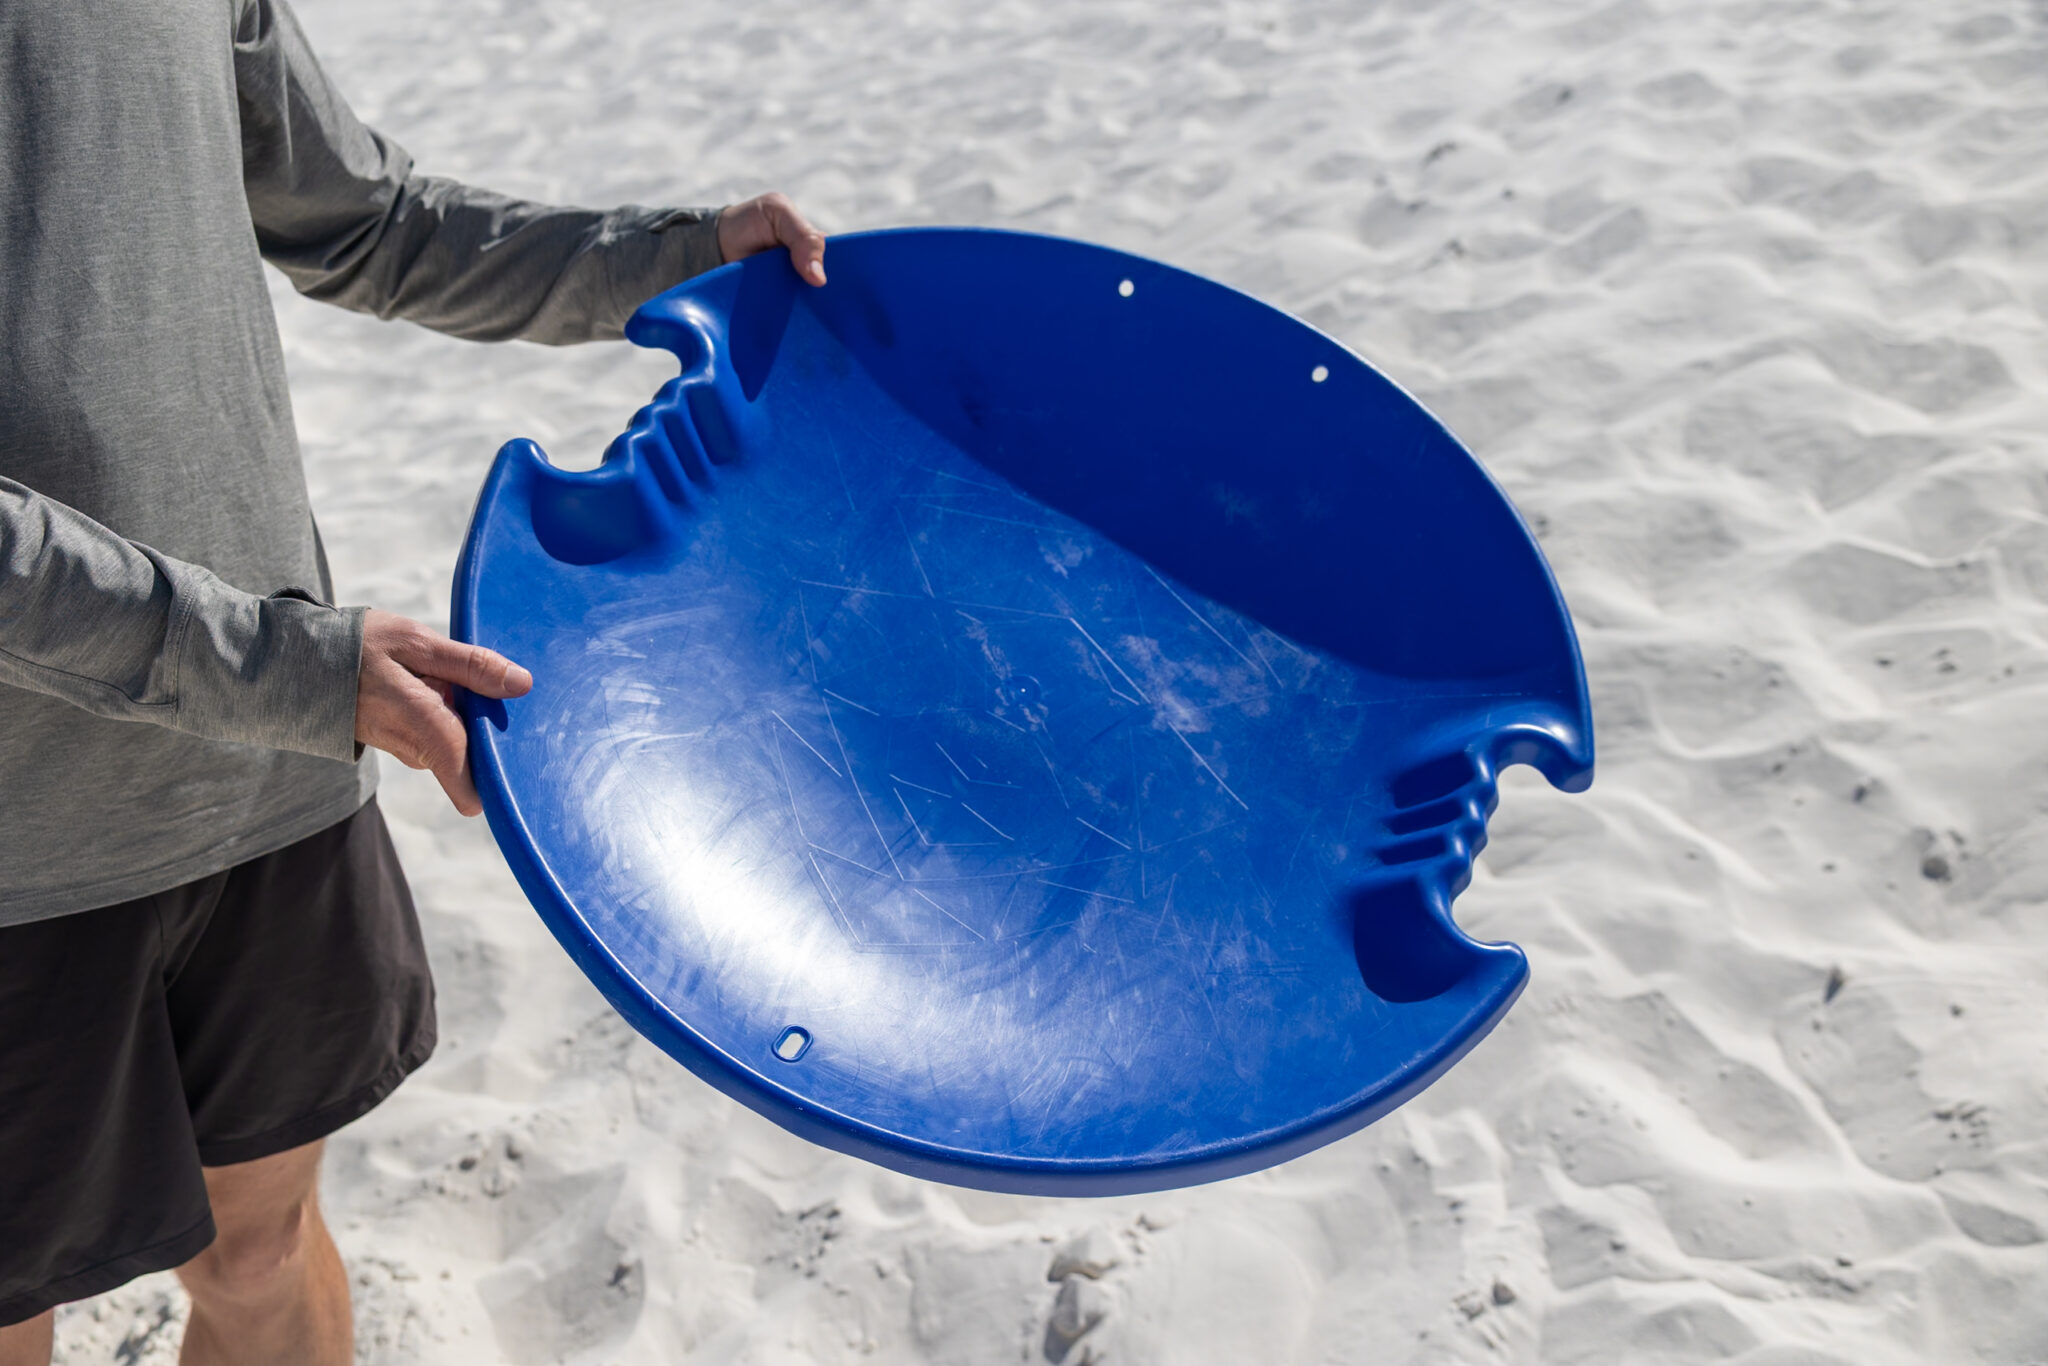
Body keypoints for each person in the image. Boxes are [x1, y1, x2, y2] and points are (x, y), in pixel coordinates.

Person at [0, 2, 826, 1361]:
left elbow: (368, 221)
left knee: (260, 1246)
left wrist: (676, 261)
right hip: (31, 851)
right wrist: (290, 667)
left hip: (264, 780)